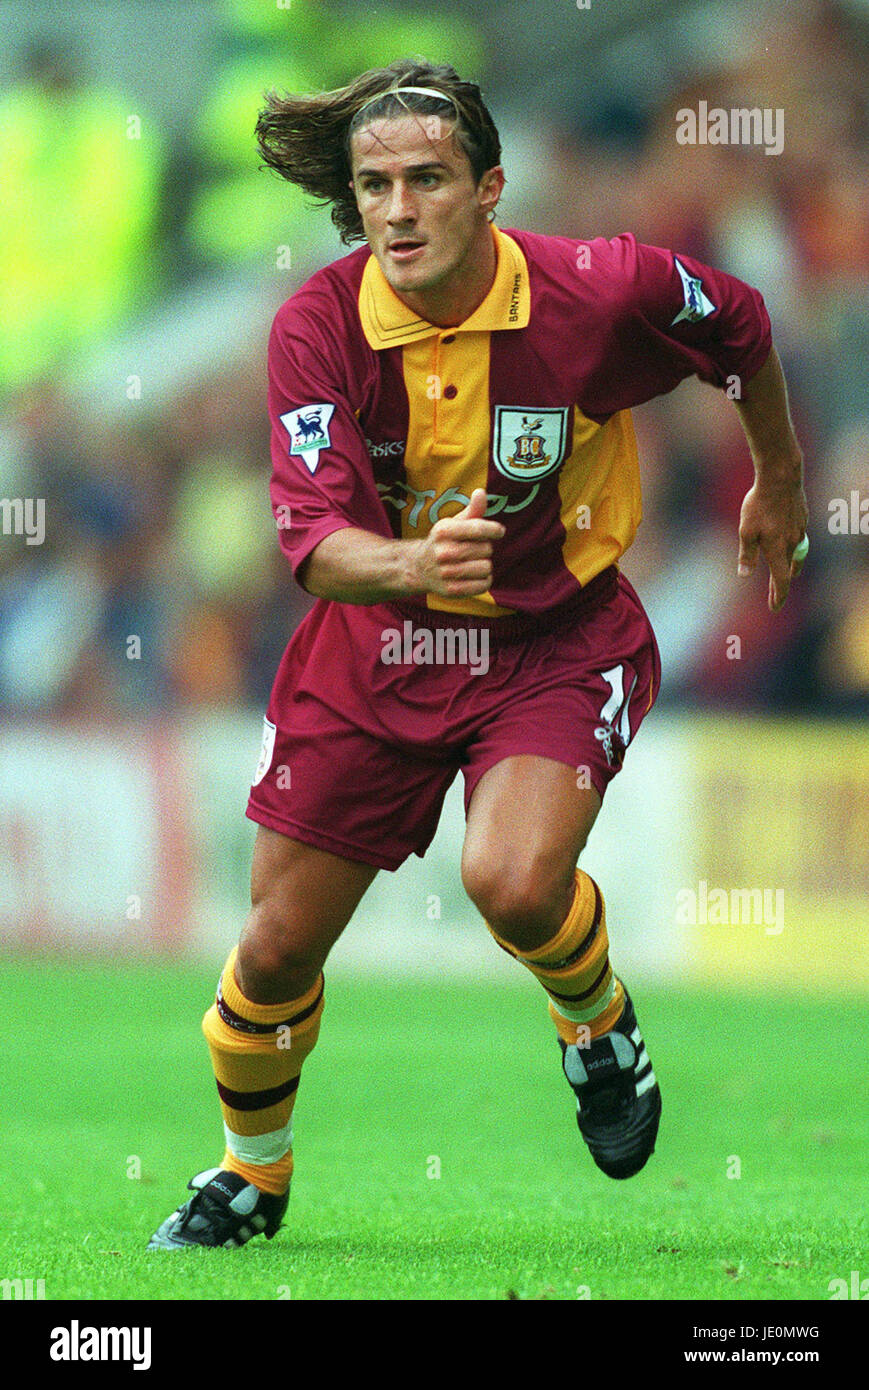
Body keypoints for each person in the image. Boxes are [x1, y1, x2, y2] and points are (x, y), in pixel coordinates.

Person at [148, 59, 808, 1250]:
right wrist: (412, 564)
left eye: (427, 180)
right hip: (374, 649)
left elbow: (740, 327)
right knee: (273, 951)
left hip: (555, 639)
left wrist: (779, 477)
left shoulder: (597, 292)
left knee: (510, 880)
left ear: (489, 188)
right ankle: (252, 1172)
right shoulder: (316, 327)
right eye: (375, 187)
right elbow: (310, 543)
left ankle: (594, 1022)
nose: (398, 210)